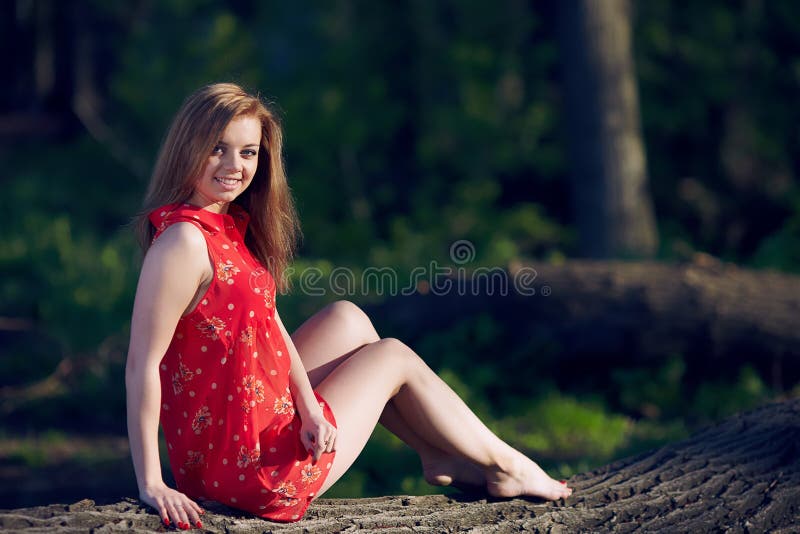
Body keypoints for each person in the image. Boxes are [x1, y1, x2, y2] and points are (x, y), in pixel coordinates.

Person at [125, 82, 573, 529]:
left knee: (348, 318)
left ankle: (434, 450)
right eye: (218, 149)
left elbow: (267, 322)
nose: (234, 166)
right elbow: (142, 365)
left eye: (248, 152)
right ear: (188, 147)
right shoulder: (182, 242)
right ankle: (507, 464)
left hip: (246, 420)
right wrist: (152, 483)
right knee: (392, 355)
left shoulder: (222, 227)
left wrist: (310, 407)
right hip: (249, 471)